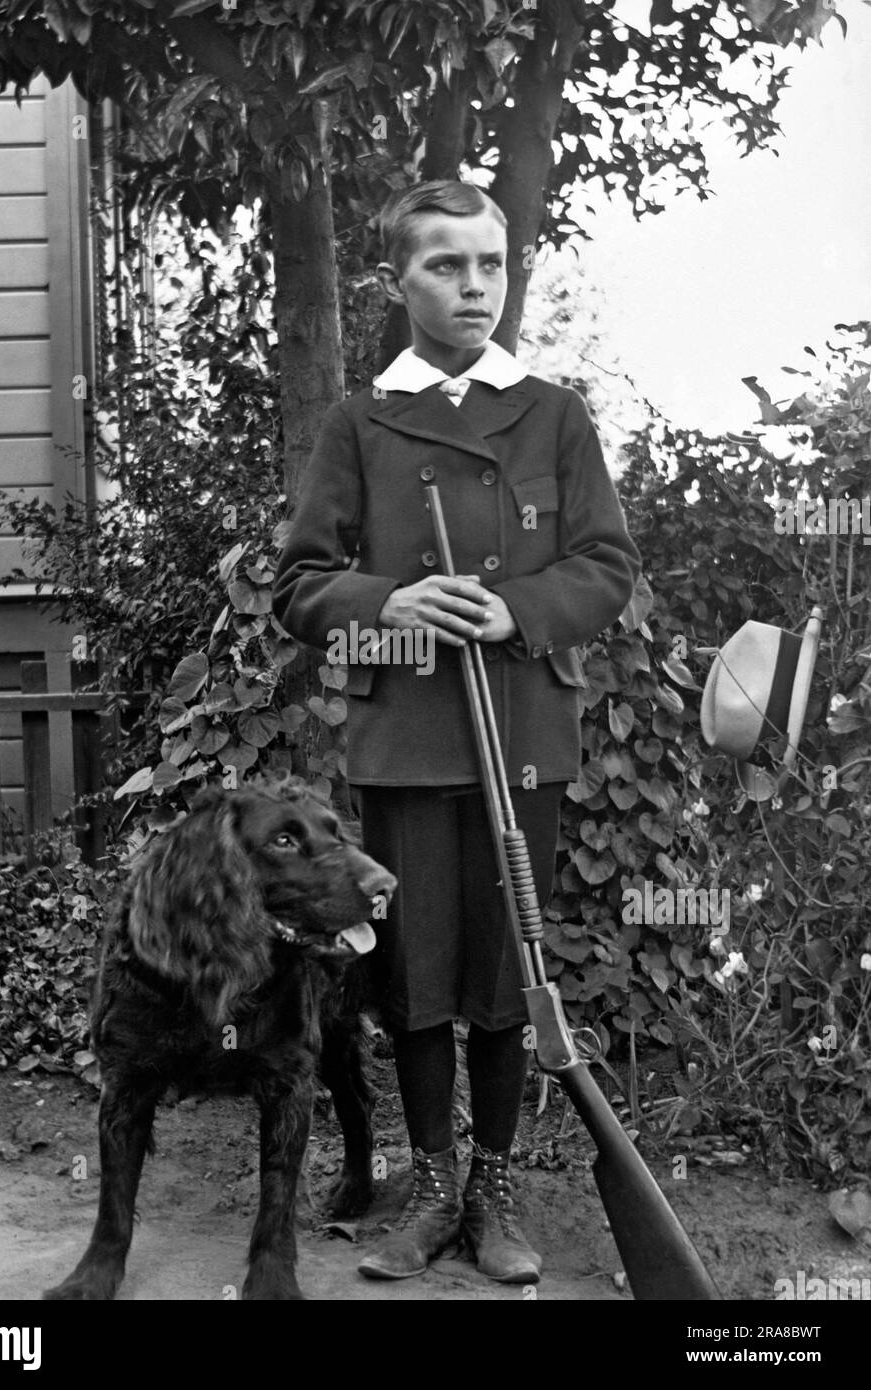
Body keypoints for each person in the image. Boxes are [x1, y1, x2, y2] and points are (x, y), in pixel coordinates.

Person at [272, 180, 641, 1286]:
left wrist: (517, 608)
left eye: (491, 264)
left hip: (518, 728)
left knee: (504, 965)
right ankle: (429, 1189)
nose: (475, 285)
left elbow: (607, 566)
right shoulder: (361, 419)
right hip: (411, 736)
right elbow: (301, 582)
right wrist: (390, 599)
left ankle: (495, 1186)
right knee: (418, 966)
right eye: (447, 265)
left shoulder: (552, 412)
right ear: (399, 283)